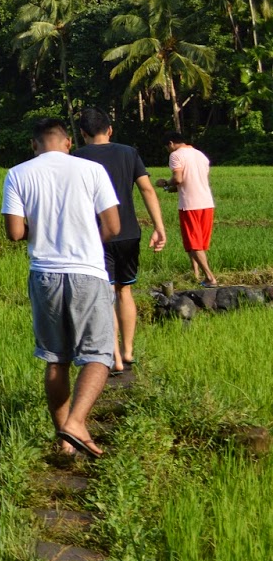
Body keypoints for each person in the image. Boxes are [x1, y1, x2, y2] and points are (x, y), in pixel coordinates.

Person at [2, 117, 121, 459]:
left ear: (34, 145)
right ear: (68, 143)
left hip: (44, 274)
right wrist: (86, 241)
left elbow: (14, 233)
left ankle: (65, 442)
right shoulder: (92, 170)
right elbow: (112, 225)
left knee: (56, 360)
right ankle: (77, 422)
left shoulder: (18, 173)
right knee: (98, 355)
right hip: (88, 272)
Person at [72, 108, 166, 373]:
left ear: (82, 133)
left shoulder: (77, 158)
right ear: (109, 129)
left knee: (105, 294)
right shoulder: (128, 152)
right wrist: (159, 227)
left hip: (96, 235)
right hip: (128, 232)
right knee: (125, 290)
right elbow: (147, 189)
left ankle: (114, 356)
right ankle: (128, 350)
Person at [162, 132, 217, 286]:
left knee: (194, 243)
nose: (168, 149)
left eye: (167, 147)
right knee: (197, 242)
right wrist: (170, 188)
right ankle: (196, 273)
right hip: (206, 203)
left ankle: (210, 278)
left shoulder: (176, 155)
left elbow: (178, 179)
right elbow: (190, 181)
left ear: (171, 143)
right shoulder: (201, 155)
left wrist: (165, 183)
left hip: (190, 205)